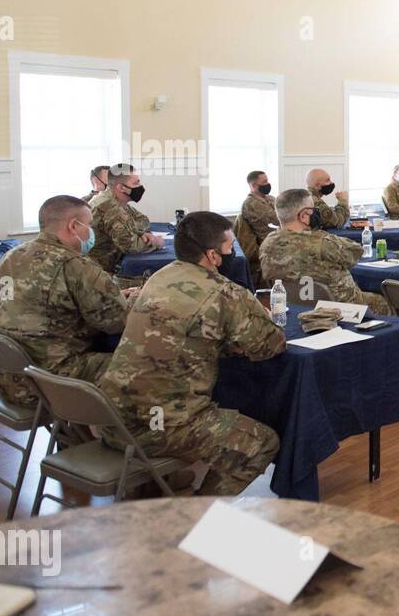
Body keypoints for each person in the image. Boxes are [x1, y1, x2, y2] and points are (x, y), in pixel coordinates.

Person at [99, 211, 286, 497]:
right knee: (261, 443)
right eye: (228, 248)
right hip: (159, 428)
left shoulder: (159, 278)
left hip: (111, 416)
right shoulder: (224, 292)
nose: (231, 255)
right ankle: (197, 516)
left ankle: (152, 488)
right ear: (212, 255)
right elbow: (270, 345)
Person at [0, 195, 132, 407]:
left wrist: (115, 294)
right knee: (145, 365)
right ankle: (118, 436)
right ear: (74, 226)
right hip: (52, 382)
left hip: (8, 379)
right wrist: (130, 299)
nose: (92, 233)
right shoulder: (75, 265)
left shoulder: (11, 257)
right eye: (90, 225)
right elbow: (117, 322)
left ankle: (76, 436)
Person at [258, 189, 390, 315]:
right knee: (381, 301)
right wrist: (317, 233)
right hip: (341, 307)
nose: (316, 212)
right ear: (304, 215)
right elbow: (355, 252)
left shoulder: (267, 244)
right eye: (313, 209)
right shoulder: (321, 242)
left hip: (293, 307)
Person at [88, 163, 163, 274]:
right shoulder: (110, 207)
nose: (140, 186)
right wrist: (156, 242)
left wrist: (137, 232)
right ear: (121, 188)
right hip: (100, 272)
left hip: (108, 265)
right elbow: (130, 246)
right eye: (135, 183)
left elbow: (144, 220)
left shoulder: (114, 199)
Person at [235, 170, 278, 288]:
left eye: (267, 181)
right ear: (253, 185)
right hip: (268, 242)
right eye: (264, 182)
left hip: (277, 235)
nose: (268, 184)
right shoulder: (251, 203)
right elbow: (278, 219)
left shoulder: (269, 198)